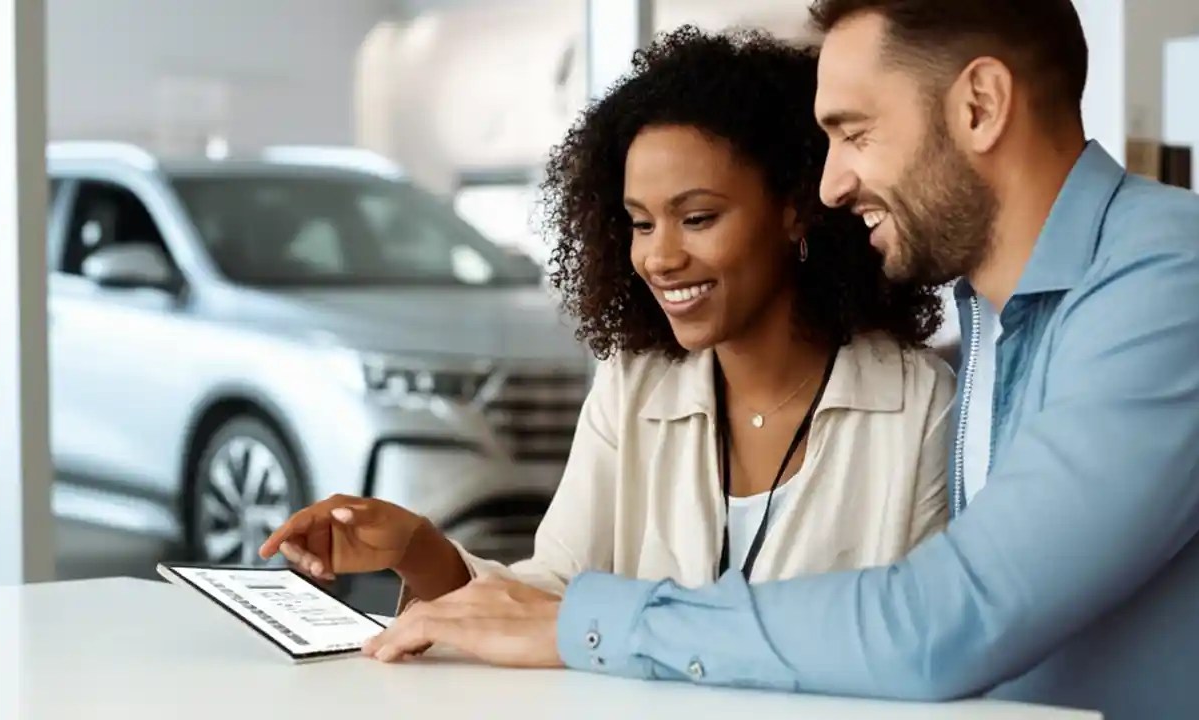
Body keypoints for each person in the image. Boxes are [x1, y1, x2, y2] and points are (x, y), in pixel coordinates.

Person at [358, 2, 1199, 718]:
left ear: (979, 105)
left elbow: (948, 619)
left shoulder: (1168, 279)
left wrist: (590, 622)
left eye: (855, 133)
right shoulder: (994, 318)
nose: (831, 186)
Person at [260, 26, 953, 633]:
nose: (660, 257)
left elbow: (915, 639)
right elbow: (552, 598)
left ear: (795, 209)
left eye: (698, 218)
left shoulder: (918, 405)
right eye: (641, 223)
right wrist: (417, 549)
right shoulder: (634, 388)